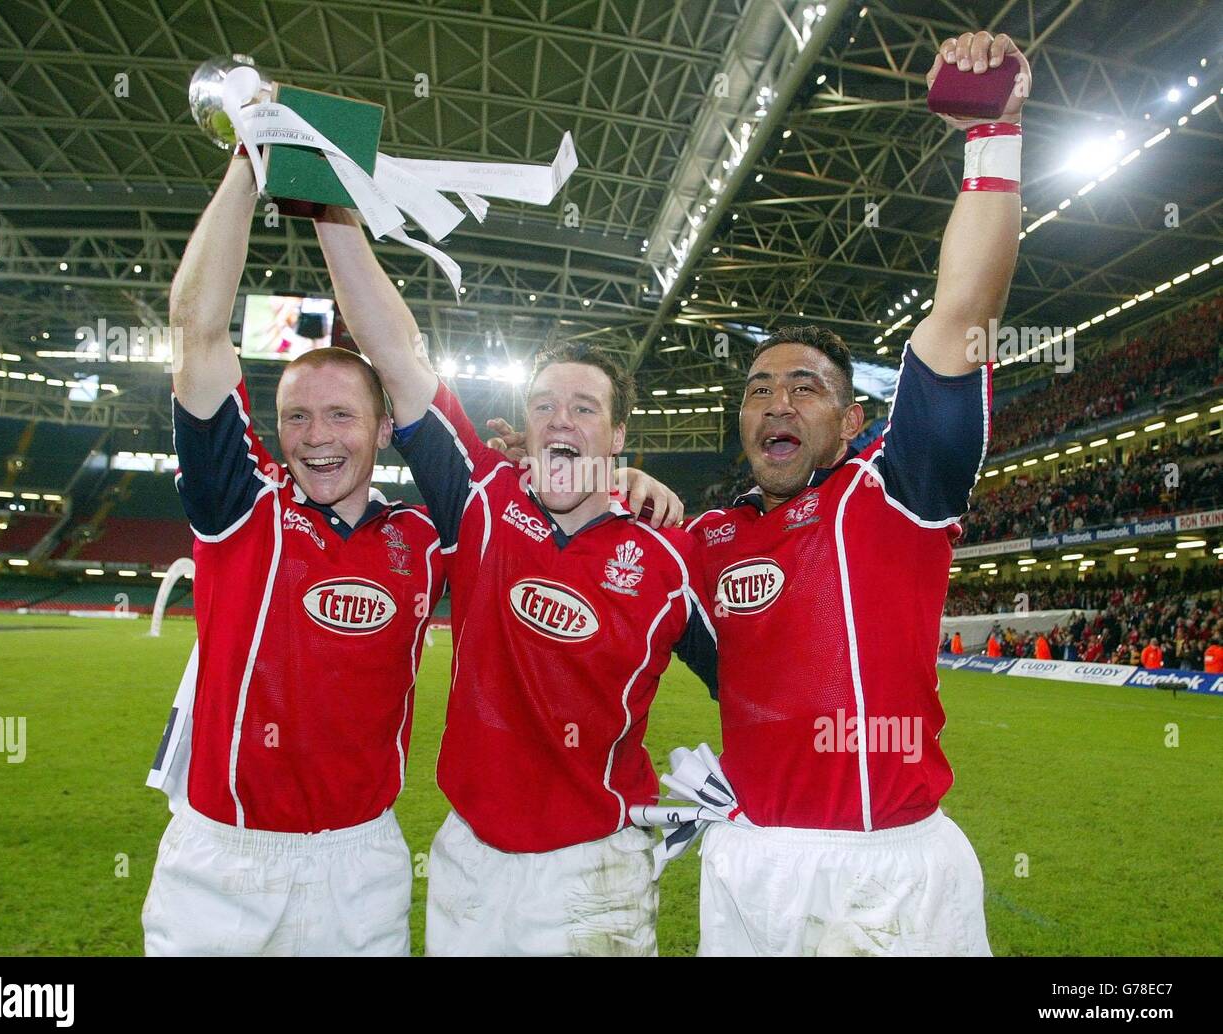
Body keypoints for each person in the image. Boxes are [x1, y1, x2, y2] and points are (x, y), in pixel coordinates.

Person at [684, 29, 1031, 956]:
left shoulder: (897, 493)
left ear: (850, 422)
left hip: (892, 870)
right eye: (757, 388)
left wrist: (993, 134)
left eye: (805, 386)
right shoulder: (706, 540)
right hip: (750, 861)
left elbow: (962, 315)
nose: (775, 400)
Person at [312, 205, 717, 956]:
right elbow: (396, 352)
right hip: (471, 864)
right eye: (544, 405)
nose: (561, 419)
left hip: (597, 871)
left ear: (618, 435)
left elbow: (754, 681)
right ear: (526, 425)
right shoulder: (482, 498)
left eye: (584, 408)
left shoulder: (667, 558)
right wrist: (329, 207)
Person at [141, 154, 447, 955]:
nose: (317, 437)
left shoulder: (424, 538)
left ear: (385, 430)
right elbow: (195, 329)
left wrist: (616, 477)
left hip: (360, 863)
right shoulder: (243, 508)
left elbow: (412, 365)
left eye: (341, 415)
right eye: (297, 417)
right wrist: (252, 158)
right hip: (222, 863)